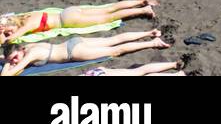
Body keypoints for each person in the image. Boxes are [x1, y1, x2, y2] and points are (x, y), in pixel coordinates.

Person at [1, 28, 170, 76]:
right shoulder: (28, 46)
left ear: (20, 51)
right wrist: (6, 58)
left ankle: (152, 41)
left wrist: (9, 64)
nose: (15, 60)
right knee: (113, 40)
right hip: (74, 41)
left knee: (115, 50)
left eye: (15, 57)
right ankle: (150, 33)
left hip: (74, 52)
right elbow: (5, 56)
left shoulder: (31, 55)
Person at [1, 0, 159, 44]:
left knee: (109, 18)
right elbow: (10, 23)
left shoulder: (28, 25)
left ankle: (143, 10)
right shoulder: (28, 16)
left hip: (69, 20)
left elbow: (10, 39)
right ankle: (141, 1)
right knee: (108, 9)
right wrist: (5, 27)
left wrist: (6, 36)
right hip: (68, 11)